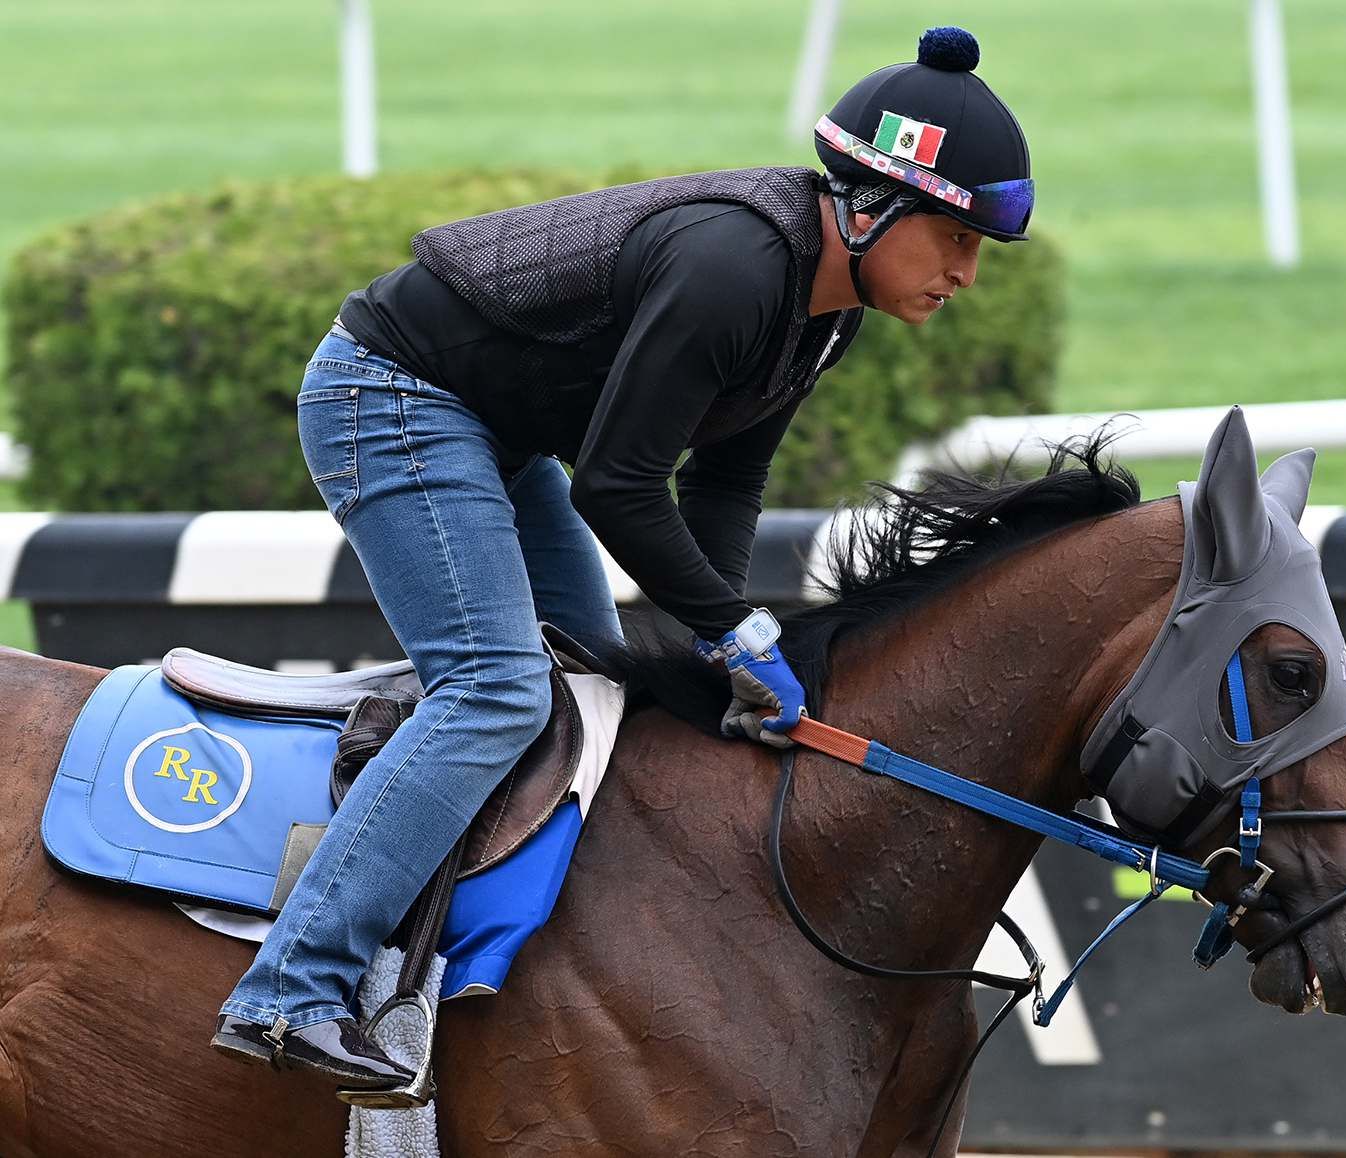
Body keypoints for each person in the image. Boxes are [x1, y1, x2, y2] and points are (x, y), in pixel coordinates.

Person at [209, 24, 1032, 1090]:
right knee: (498, 691)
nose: (966, 273)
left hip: (493, 430)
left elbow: (723, 482)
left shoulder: (823, 314)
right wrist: (733, 630)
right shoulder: (734, 270)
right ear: (868, 211)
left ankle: (512, 957)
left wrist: (716, 646)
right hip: (394, 397)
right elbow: (618, 485)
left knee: (597, 684)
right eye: (954, 238)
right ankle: (290, 990)